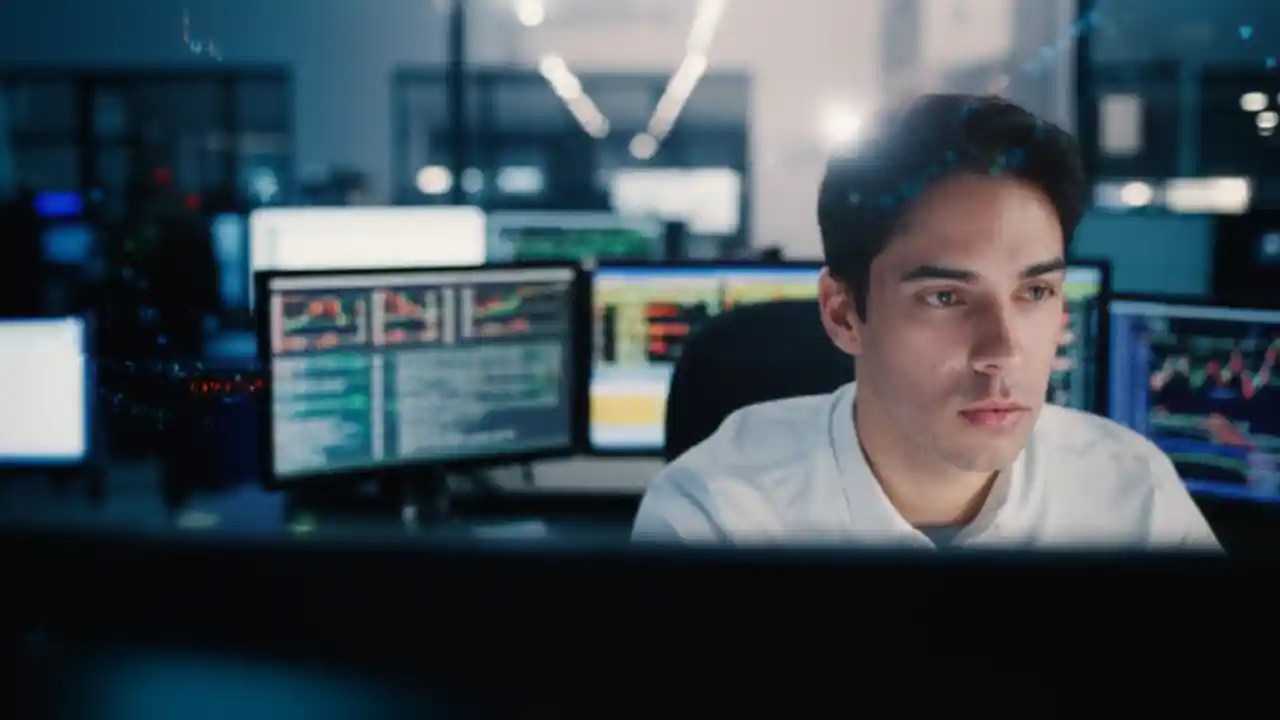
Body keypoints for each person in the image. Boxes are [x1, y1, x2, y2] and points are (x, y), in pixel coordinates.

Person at [632, 93, 1221, 551]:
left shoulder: (1131, 493)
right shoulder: (717, 518)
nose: (1003, 351)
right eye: (945, 297)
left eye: (1035, 290)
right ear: (843, 314)